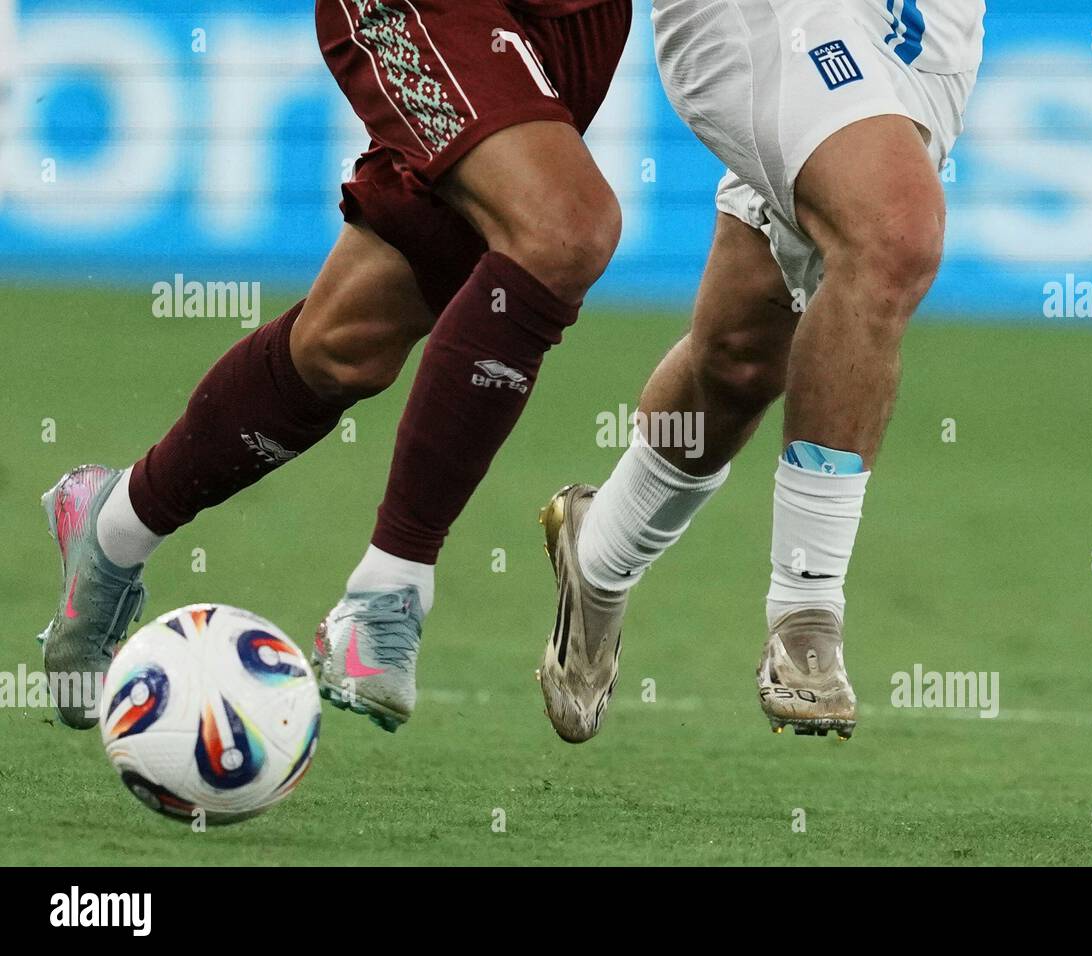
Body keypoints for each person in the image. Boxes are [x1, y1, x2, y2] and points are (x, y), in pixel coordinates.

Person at [39, 0, 632, 732]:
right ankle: (388, 592)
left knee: (345, 348)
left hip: (576, 20)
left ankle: (114, 524)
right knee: (564, 227)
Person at [538, 0, 984, 742]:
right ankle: (806, 614)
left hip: (919, 27)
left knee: (744, 354)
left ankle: (600, 549)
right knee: (893, 231)